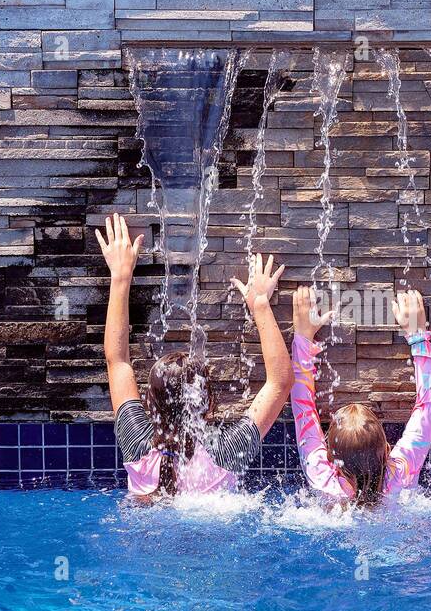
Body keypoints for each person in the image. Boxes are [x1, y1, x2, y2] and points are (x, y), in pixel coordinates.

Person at [96, 213, 291, 500]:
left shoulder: (138, 444)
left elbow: (117, 361)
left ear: (150, 402)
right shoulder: (225, 452)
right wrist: (260, 304)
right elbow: (280, 383)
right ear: (208, 401)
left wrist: (121, 276)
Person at [289, 287, 431, 507]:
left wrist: (303, 338)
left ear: (330, 458)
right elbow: (428, 406)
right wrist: (418, 337)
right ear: (387, 449)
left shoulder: (321, 476)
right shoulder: (400, 473)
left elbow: (302, 409)